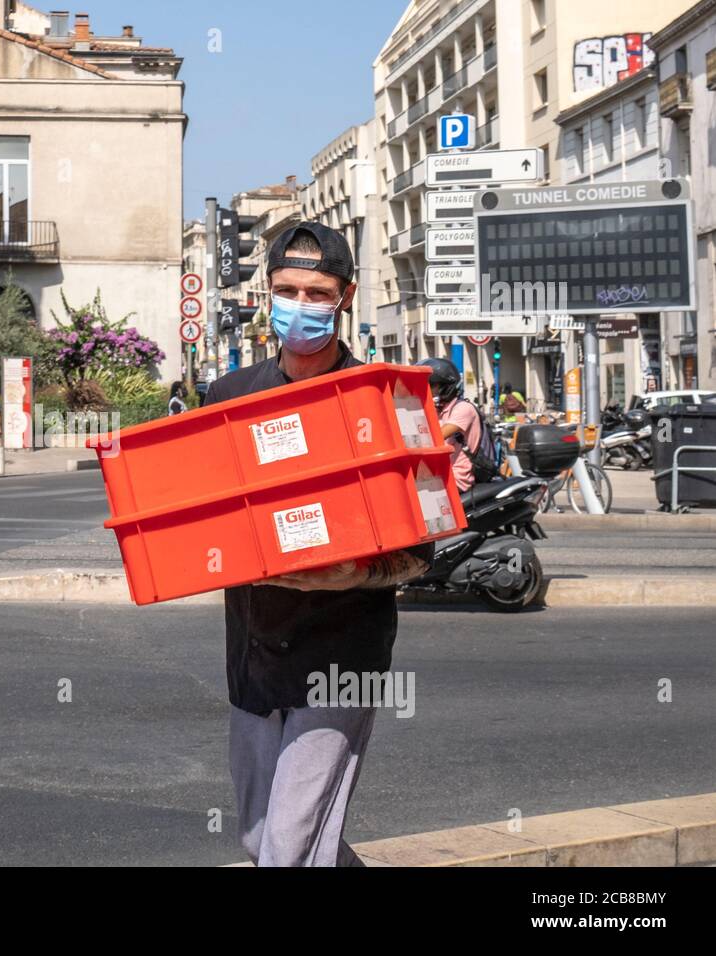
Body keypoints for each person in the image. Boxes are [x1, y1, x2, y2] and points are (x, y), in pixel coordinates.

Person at [202, 222, 433, 867]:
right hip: (251, 657)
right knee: (262, 839)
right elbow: (203, 520)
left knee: (288, 847)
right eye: (285, 289)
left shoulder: (385, 400)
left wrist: (349, 574)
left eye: (315, 291)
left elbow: (426, 546)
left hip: (341, 660)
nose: (298, 304)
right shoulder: (226, 399)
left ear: (346, 296)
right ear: (265, 292)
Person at [416, 358, 488, 493]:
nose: (427, 389)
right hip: (438, 473)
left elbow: (435, 436)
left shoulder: (463, 409)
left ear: (446, 386)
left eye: (431, 385)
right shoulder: (440, 410)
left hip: (456, 478)